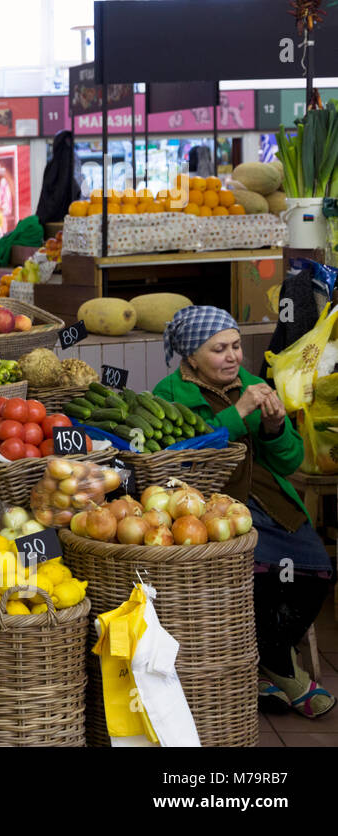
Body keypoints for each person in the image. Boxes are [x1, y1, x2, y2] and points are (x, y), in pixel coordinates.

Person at [156, 305, 333, 718]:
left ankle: (269, 657)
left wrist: (273, 429)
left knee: (316, 570)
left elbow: (290, 460)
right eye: (219, 349)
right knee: (248, 571)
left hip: (266, 502)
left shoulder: (255, 384)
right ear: (191, 356)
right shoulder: (168, 395)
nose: (233, 356)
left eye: (236, 346)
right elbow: (181, 459)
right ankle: (276, 669)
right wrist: (237, 415)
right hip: (207, 508)